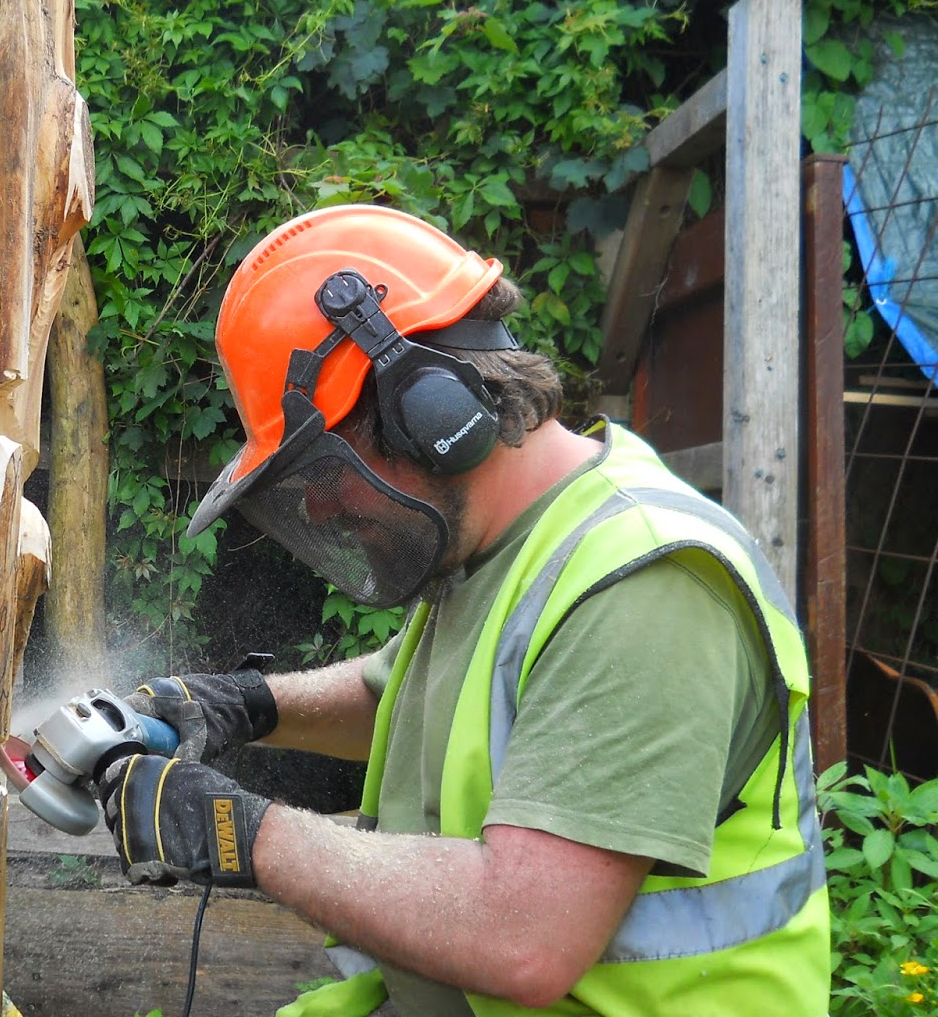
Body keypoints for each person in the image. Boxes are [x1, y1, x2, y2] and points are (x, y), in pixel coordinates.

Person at [98, 204, 829, 1016]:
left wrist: (238, 832)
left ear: (429, 412)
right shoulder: (504, 547)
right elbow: (407, 702)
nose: (320, 510)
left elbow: (524, 936)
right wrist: (245, 705)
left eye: (321, 470)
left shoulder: (644, 587)